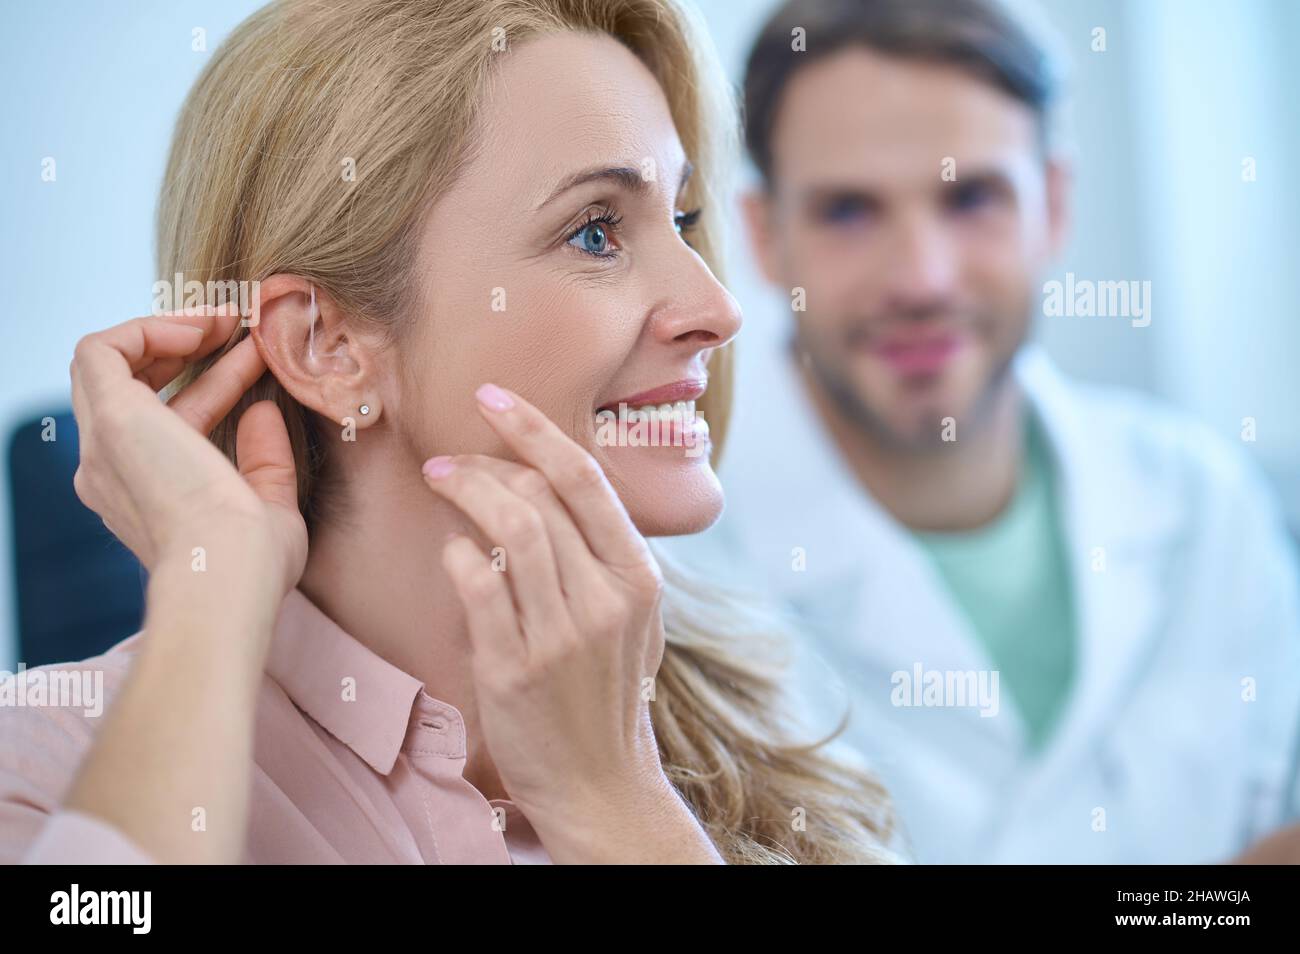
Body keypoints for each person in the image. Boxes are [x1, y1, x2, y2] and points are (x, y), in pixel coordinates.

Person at [0, 0, 897, 865]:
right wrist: (210, 585)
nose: (719, 307)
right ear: (328, 347)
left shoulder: (771, 728)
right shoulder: (41, 766)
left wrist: (614, 805)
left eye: (684, 220)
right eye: (595, 232)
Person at [662, 0, 1300, 863]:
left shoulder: (1203, 501)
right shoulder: (673, 564)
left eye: (971, 198)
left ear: (1056, 204)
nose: (921, 278)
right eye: (849, 211)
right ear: (766, 238)